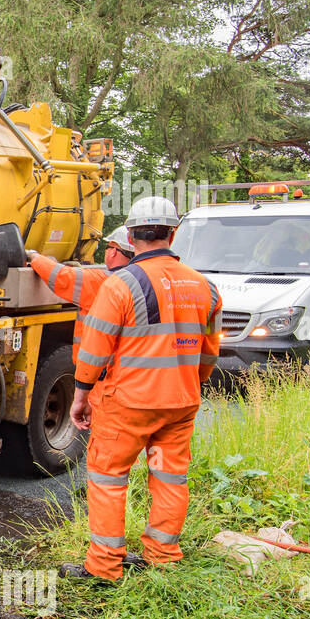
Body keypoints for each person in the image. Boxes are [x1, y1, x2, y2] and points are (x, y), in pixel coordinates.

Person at [63, 196, 222, 582]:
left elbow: (95, 349)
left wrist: (81, 394)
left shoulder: (120, 285)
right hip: (182, 402)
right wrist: (188, 387)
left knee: (107, 477)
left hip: (128, 404)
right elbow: (209, 352)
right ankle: (162, 555)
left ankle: (104, 567)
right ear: (174, 233)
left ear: (131, 236)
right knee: (170, 477)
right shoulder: (206, 287)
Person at [27, 226, 134, 363]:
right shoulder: (137, 281)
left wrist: (34, 256)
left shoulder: (101, 281)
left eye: (107, 247)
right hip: (124, 365)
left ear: (113, 252)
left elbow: (61, 277)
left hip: (101, 369)